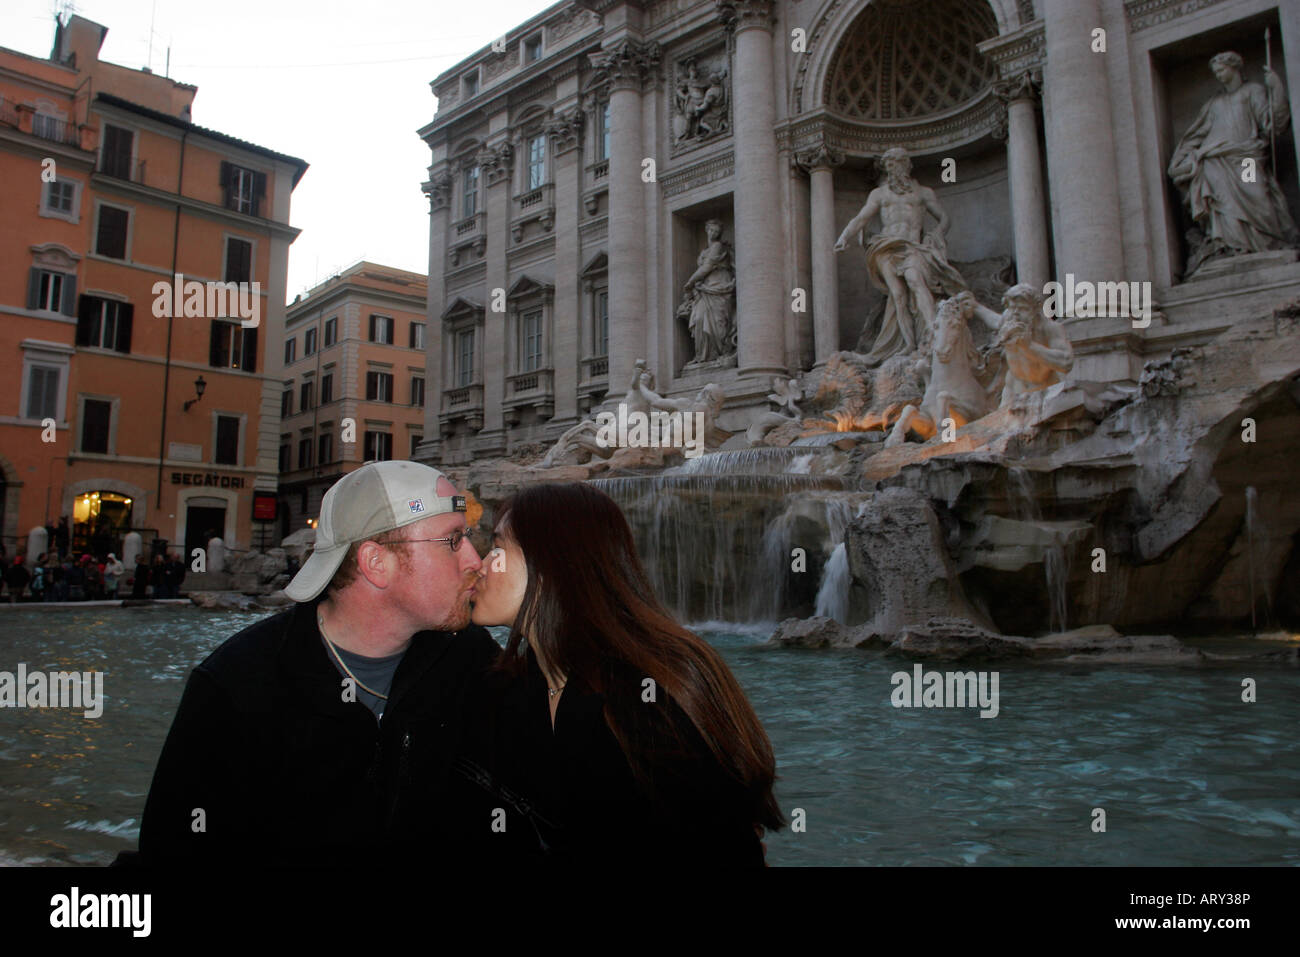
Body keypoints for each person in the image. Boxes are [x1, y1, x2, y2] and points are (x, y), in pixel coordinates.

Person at [123, 461, 502, 866]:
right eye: (452, 540)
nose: (475, 560)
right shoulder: (234, 688)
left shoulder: (471, 658)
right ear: (376, 563)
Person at [469, 482, 782, 865]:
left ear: (552, 563)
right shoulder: (515, 685)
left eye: (497, 548)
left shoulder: (650, 696)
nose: (479, 565)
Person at [835, 147, 969, 367]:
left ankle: (934, 332)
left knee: (916, 280)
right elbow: (861, 218)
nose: (894, 168)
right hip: (885, 247)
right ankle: (909, 344)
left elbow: (944, 218)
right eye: (890, 165)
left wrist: (936, 235)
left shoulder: (923, 193)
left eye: (898, 163)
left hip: (912, 246)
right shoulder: (879, 194)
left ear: (907, 165)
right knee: (897, 295)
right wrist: (844, 237)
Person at [1168, 51, 1297, 274]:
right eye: (1215, 72)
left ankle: (1267, 243)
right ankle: (1231, 246)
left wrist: (1276, 89)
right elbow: (1196, 135)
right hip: (1215, 160)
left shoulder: (1253, 92)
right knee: (1223, 205)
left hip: (1246, 155)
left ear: (1235, 67)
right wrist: (1183, 159)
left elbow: (1273, 124)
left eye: (1221, 69)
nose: (1218, 75)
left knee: (1257, 193)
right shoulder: (1214, 104)